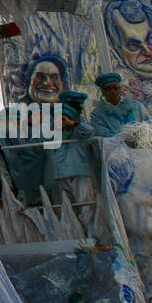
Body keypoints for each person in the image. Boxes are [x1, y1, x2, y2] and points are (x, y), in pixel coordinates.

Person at [44, 91, 96, 227]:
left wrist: (73, 124)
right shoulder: (54, 129)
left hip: (79, 172)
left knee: (86, 207)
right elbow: (46, 141)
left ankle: (90, 237)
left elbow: (89, 132)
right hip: (61, 174)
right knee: (67, 210)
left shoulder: (79, 127)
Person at [89, 72, 150, 137]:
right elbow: (102, 136)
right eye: (108, 88)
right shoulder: (97, 114)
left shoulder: (137, 106)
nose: (112, 91)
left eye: (115, 87)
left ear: (119, 89)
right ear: (102, 92)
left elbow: (149, 125)